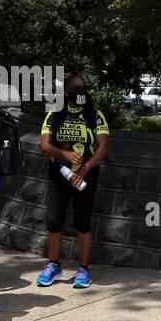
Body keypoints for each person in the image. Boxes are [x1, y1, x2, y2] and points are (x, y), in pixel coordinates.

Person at [36, 75, 110, 289]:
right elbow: (44, 144)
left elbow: (103, 147)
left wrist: (85, 169)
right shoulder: (55, 113)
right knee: (53, 220)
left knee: (83, 221)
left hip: (86, 173)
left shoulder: (95, 114)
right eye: (75, 88)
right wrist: (64, 155)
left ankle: (84, 269)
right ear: (66, 91)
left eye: (84, 88)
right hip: (59, 172)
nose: (80, 92)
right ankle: (53, 265)